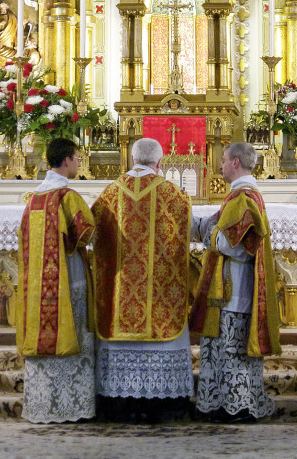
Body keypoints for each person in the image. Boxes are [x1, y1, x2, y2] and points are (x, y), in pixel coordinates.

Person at [91, 137, 193, 422]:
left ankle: (119, 403)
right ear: (160, 163)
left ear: (131, 159)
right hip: (160, 298)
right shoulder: (174, 195)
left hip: (119, 298)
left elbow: (93, 236)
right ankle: (163, 406)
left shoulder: (109, 194)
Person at [190, 142, 280, 422]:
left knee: (230, 349)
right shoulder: (241, 195)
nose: (220, 165)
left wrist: (209, 234)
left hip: (233, 286)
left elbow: (228, 243)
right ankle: (226, 403)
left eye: (224, 160)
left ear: (237, 163)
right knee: (227, 348)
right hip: (233, 283)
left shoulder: (243, 197)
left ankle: (235, 406)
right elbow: (220, 226)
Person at [17, 136, 96, 423]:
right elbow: (87, 233)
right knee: (73, 332)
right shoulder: (67, 196)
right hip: (68, 281)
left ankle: (43, 404)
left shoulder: (34, 198)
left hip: (39, 288)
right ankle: (73, 405)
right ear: (66, 161)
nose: (77, 163)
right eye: (76, 158)